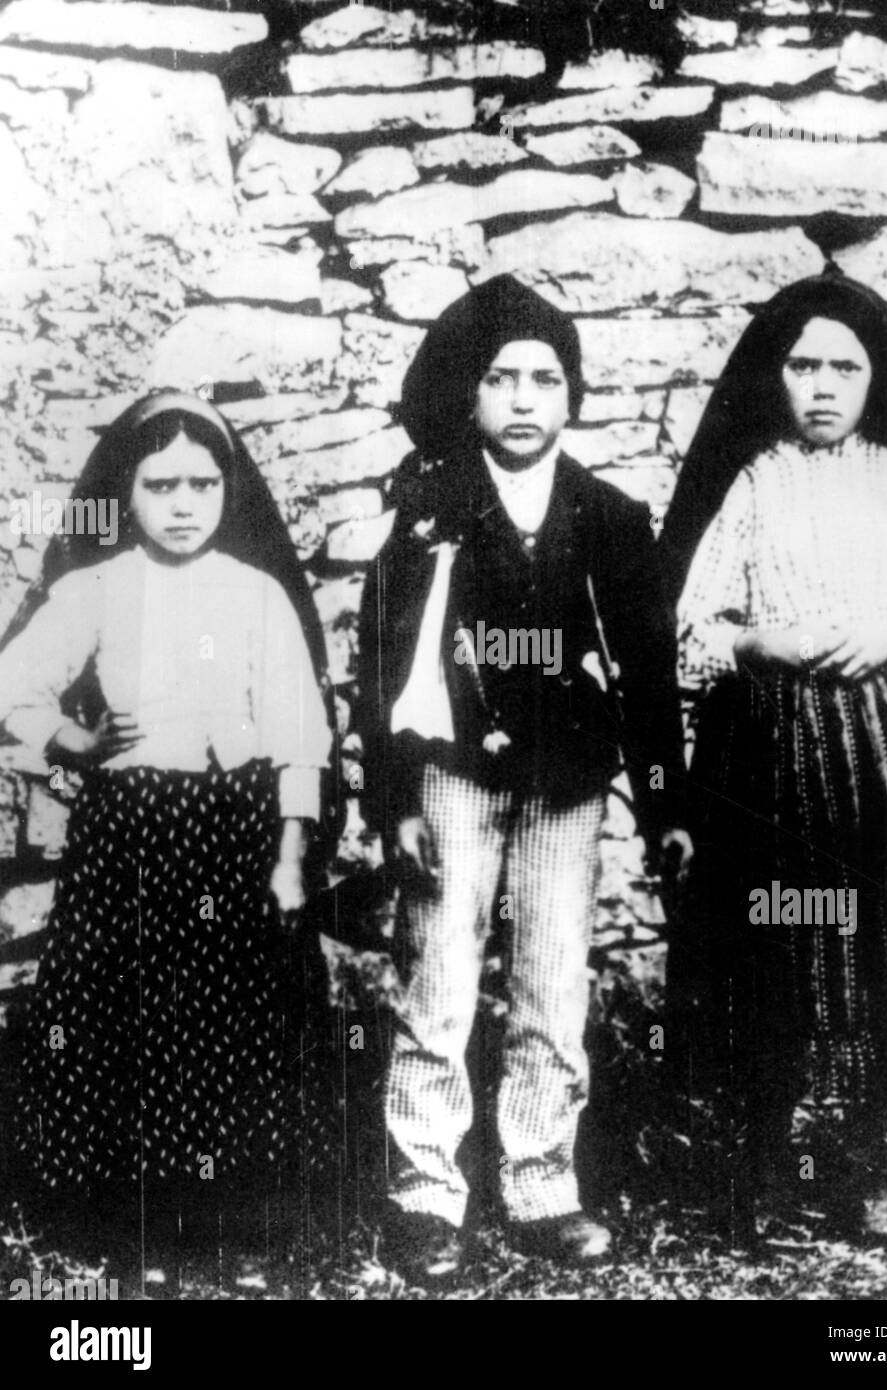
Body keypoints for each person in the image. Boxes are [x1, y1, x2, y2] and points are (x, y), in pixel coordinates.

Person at [662, 270, 887, 1245]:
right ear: (775, 376)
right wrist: (756, 644)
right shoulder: (752, 483)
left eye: (843, 367)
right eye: (802, 364)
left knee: (882, 956)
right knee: (779, 957)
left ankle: (863, 1167)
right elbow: (692, 620)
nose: (820, 384)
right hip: (769, 757)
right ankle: (769, 1174)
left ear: (875, 380)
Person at [358, 274, 691, 1283]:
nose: (522, 399)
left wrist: (665, 799)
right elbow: (382, 658)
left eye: (545, 379)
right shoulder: (428, 508)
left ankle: (542, 1180)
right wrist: (389, 798)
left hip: (568, 785)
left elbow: (647, 666)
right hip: (456, 773)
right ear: (470, 395)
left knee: (550, 974)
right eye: (501, 378)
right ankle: (425, 1192)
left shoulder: (609, 518)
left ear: (572, 398)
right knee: (441, 973)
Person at [0, 390, 339, 1293]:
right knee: (134, 1016)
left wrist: (290, 856)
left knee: (230, 1014)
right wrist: (73, 741)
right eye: (160, 485)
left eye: (201, 483)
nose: (183, 504)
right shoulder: (97, 589)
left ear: (229, 490)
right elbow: (13, 685)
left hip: (236, 830)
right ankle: (135, 1216)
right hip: (133, 833)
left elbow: (298, 731)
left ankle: (235, 1212)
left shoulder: (257, 593)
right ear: (128, 492)